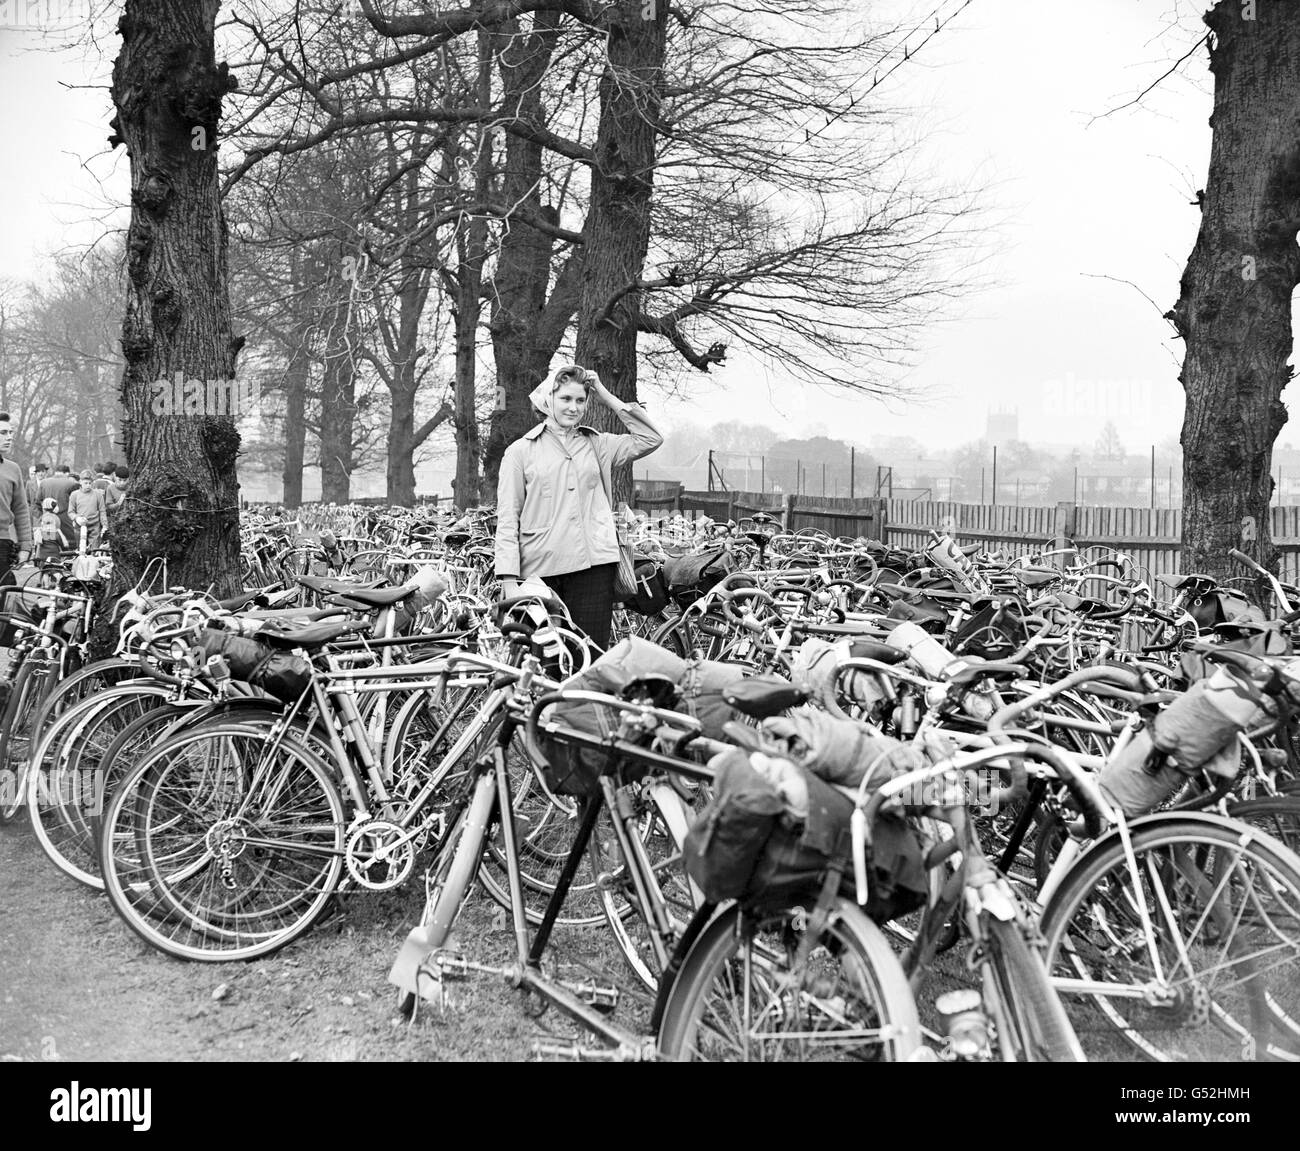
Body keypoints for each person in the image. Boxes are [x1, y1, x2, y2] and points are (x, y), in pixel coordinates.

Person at [494, 364, 662, 649]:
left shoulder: (598, 444)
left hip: (594, 569)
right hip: (540, 571)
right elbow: (509, 517)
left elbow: (650, 438)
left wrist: (605, 395)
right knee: (542, 661)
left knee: (590, 657)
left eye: (580, 400)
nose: (573, 407)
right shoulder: (520, 451)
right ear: (549, 400)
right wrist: (509, 579)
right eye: (565, 399)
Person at [0, 413, 32, 575]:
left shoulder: (13, 469)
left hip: (2, 543)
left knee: (7, 592)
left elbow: (21, 509)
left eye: (10, 433)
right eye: (3, 433)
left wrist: (25, 546)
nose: (9, 437)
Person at [68, 469, 109, 551]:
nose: (88, 485)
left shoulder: (98, 495)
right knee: (81, 550)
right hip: (80, 525)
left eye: (90, 483)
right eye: (85, 483)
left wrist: (104, 525)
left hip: (94, 526)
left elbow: (102, 511)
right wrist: (76, 518)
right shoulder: (74, 495)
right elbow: (70, 512)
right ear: (80, 482)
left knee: (94, 549)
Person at [39, 464, 79, 543]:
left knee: (49, 543)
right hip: (66, 522)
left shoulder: (44, 483)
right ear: (67, 473)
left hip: (47, 521)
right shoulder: (71, 483)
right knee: (68, 546)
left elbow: (37, 502)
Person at [35, 497, 69, 563]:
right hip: (55, 554)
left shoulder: (42, 518)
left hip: (42, 555)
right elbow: (63, 543)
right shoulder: (56, 518)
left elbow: (37, 541)